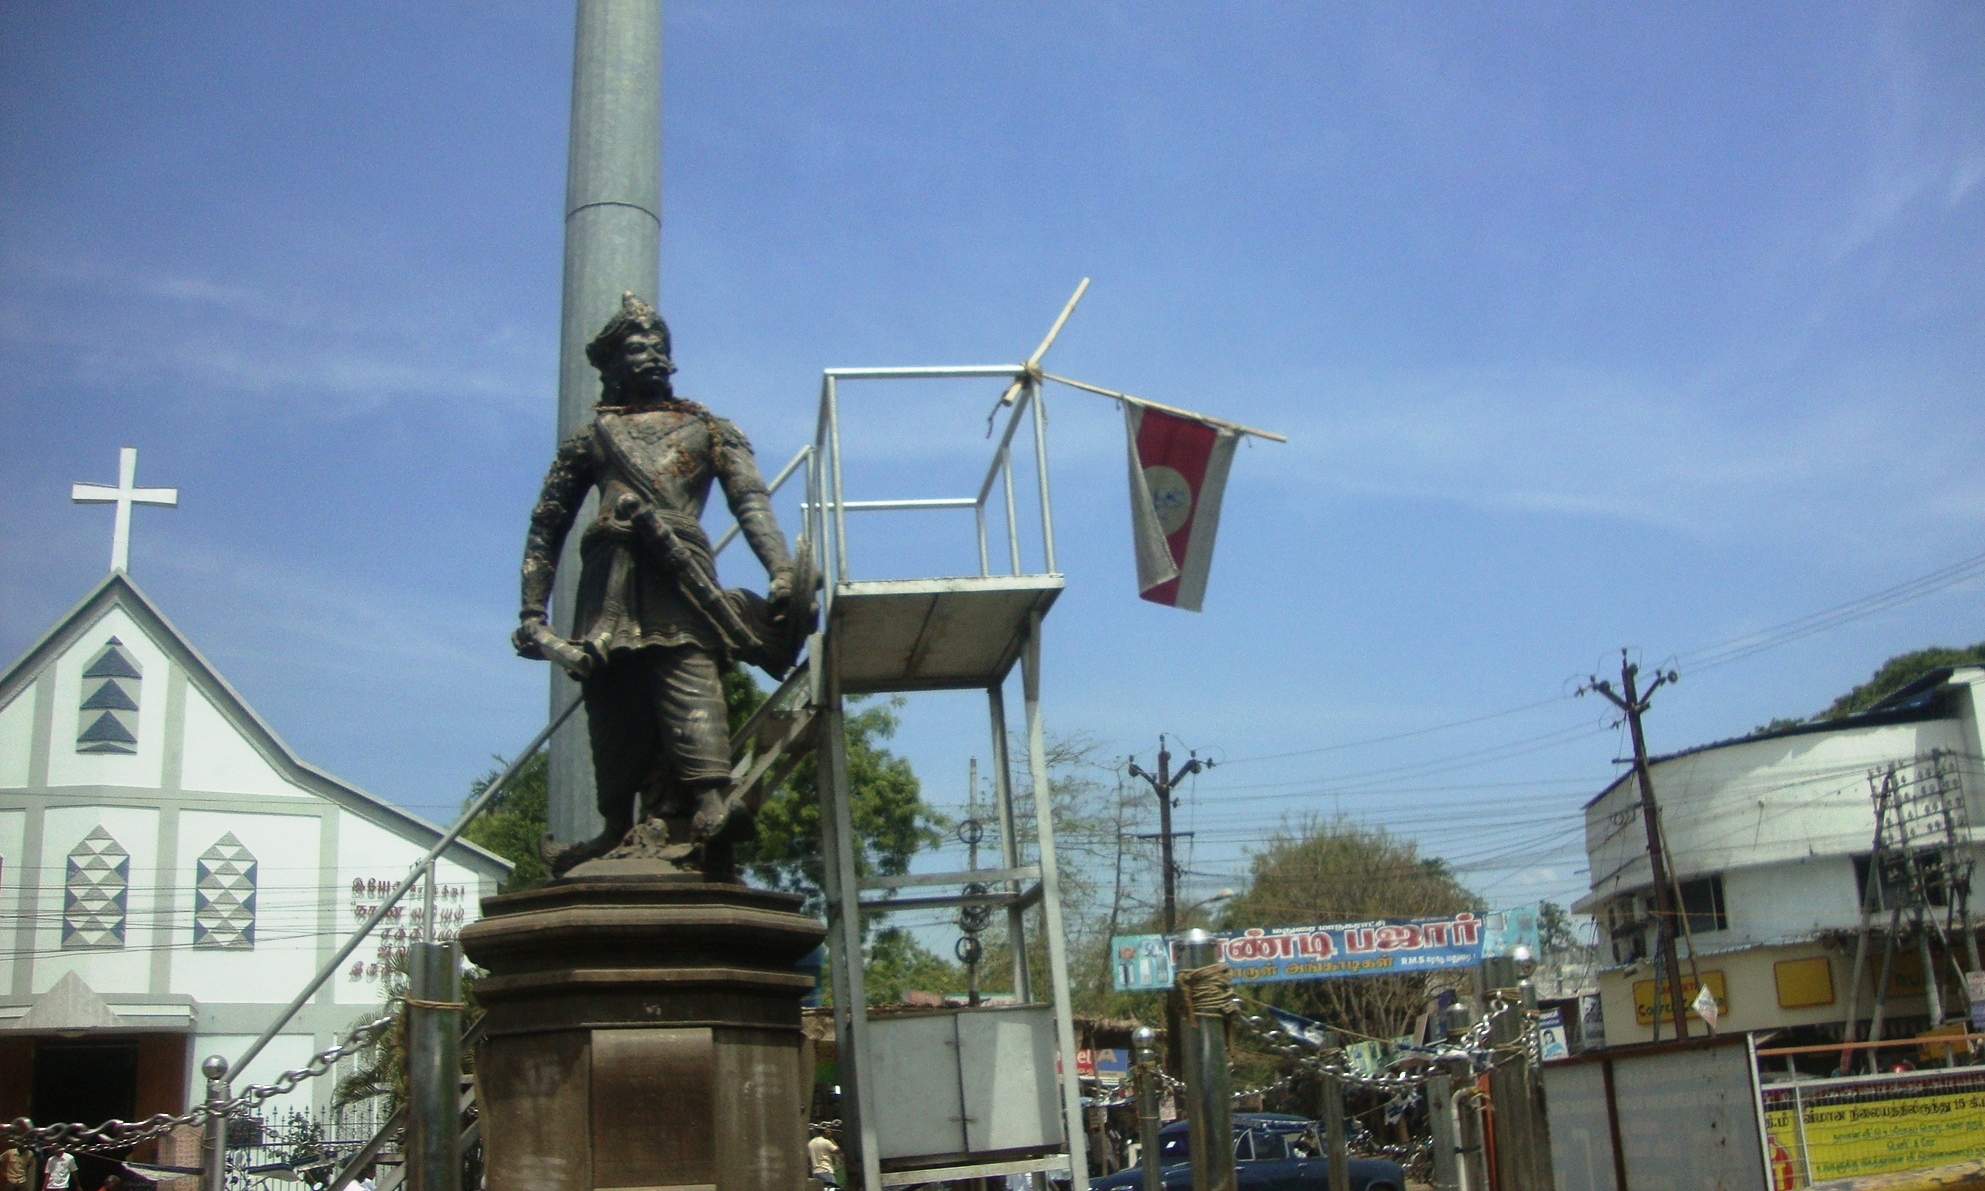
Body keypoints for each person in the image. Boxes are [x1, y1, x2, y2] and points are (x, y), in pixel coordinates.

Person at [515, 292, 813, 878]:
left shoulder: (709, 428)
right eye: (635, 346)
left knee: (688, 677)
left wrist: (781, 571)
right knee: (612, 700)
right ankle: (614, 825)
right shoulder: (591, 438)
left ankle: (710, 804)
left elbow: (751, 502)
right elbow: (546, 521)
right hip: (607, 583)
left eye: (659, 344)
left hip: (682, 576)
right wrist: (532, 608)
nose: (650, 353)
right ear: (611, 366)